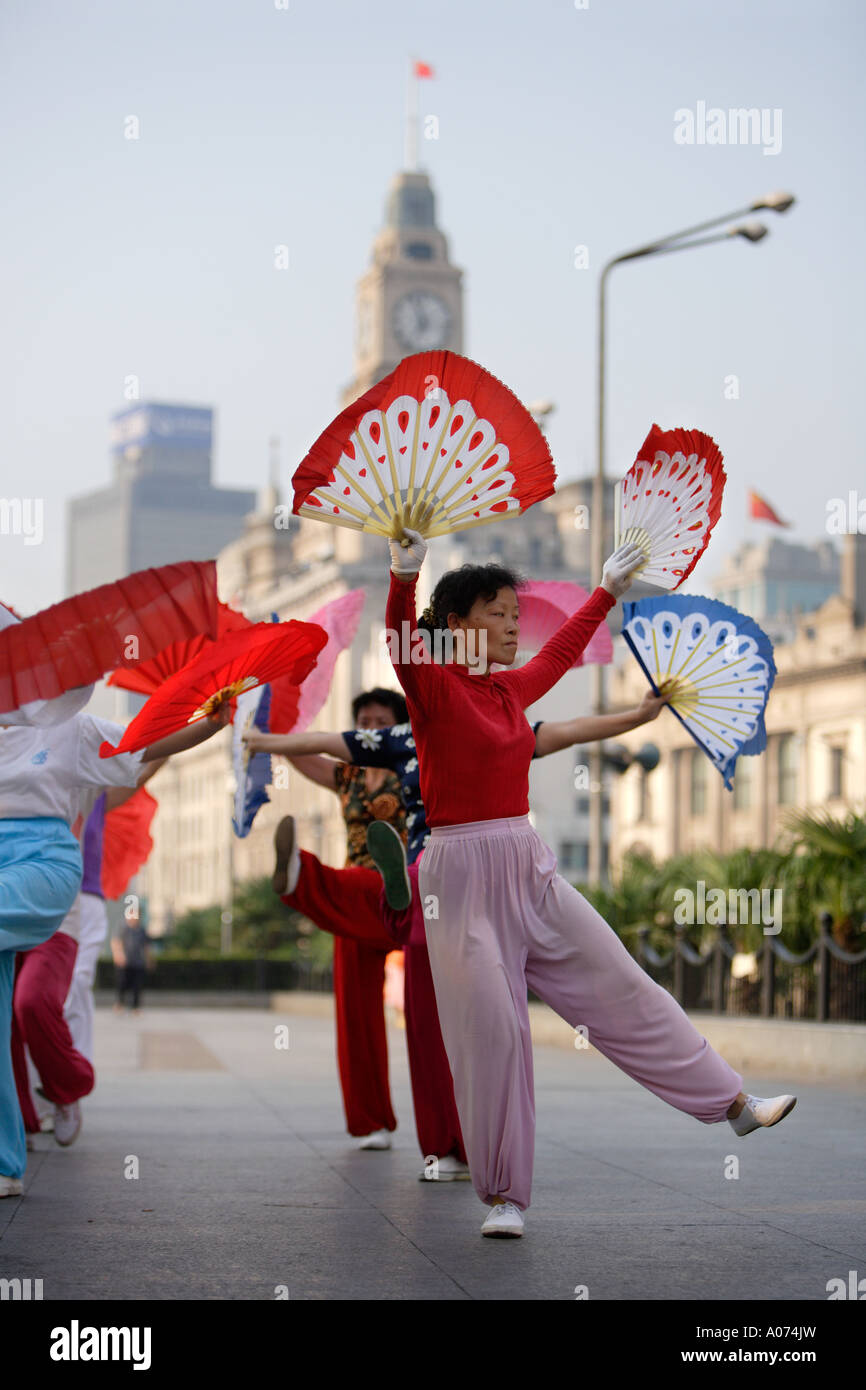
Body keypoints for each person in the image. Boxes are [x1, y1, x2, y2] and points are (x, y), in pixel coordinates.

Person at [384, 529, 797, 1238]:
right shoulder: (431, 685)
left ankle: (733, 1105)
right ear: (455, 626)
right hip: (457, 877)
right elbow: (399, 640)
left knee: (621, 981)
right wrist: (405, 570)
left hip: (527, 863)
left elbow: (562, 651)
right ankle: (506, 1197)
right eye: (498, 612)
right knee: (497, 1032)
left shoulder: (513, 691)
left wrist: (608, 586)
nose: (514, 625)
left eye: (516, 612)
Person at [246, 686, 670, 1181]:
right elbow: (319, 742)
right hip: (414, 888)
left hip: (463, 893)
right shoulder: (394, 742)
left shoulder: (492, 731)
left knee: (448, 1026)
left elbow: (568, 731)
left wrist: (637, 716)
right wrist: (261, 738)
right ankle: (426, 1144)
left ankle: (456, 1147)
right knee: (385, 937)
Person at [0, 696, 231, 1197]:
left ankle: (68, 1085)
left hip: (56, 903)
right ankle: (11, 1145)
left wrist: (204, 723)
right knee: (4, 1026)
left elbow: (136, 752)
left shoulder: (70, 739)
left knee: (36, 1002)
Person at [272, 689, 410, 1150]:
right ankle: (370, 1122)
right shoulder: (346, 775)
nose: (371, 726)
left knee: (435, 1018)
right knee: (355, 1014)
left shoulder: (412, 768)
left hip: (404, 895)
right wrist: (272, 715)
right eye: (363, 719)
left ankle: (301, 877)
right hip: (353, 895)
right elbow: (300, 753)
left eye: (381, 719)